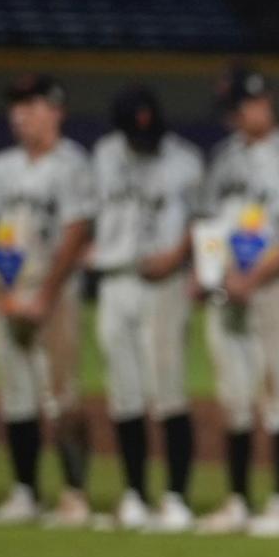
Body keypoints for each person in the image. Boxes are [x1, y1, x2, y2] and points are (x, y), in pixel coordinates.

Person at [0, 73, 97, 526]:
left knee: (61, 395)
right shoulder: (1, 168)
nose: (20, 113)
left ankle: (75, 494)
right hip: (9, 292)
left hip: (54, 292)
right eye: (15, 104)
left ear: (55, 109)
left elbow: (77, 231)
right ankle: (24, 492)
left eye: (31, 104)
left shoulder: (71, 164)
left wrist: (45, 294)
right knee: (17, 397)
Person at [199, 62, 279, 537]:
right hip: (227, 285)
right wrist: (217, 275)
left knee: (277, 391)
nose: (232, 118)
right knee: (234, 396)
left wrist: (253, 276)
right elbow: (208, 223)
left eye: (238, 107)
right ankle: (238, 501)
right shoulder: (224, 157)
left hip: (270, 287)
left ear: (261, 102)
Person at [88, 87, 205, 531]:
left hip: (165, 285)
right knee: (125, 394)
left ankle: (176, 497)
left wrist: (182, 259)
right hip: (116, 281)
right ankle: (134, 493)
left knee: (169, 391)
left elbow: (205, 221)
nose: (144, 138)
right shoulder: (103, 157)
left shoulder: (185, 160)